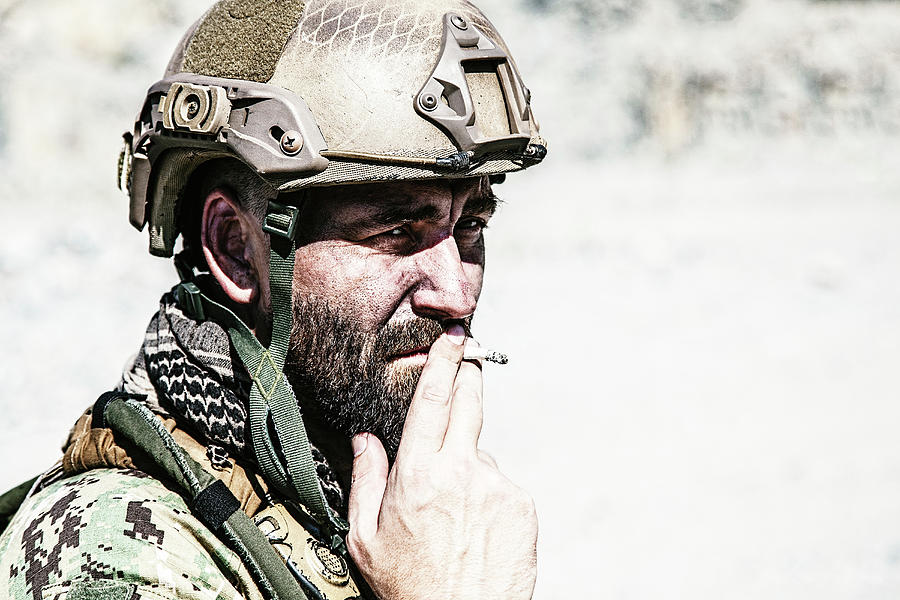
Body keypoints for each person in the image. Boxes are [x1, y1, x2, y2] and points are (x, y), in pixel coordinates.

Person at [0, 1, 547, 598]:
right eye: (394, 233)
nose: (456, 292)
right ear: (236, 247)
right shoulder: (118, 550)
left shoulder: (398, 503)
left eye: (469, 227)